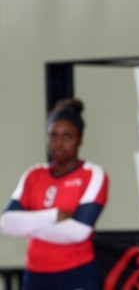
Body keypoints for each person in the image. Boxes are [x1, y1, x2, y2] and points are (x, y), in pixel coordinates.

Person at [1, 98, 109, 290]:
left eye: (67, 136)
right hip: (36, 274)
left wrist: (27, 225)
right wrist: (54, 215)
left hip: (76, 273)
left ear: (80, 139)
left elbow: (78, 231)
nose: (59, 143)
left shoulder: (92, 174)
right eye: (53, 135)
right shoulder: (34, 174)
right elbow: (6, 224)